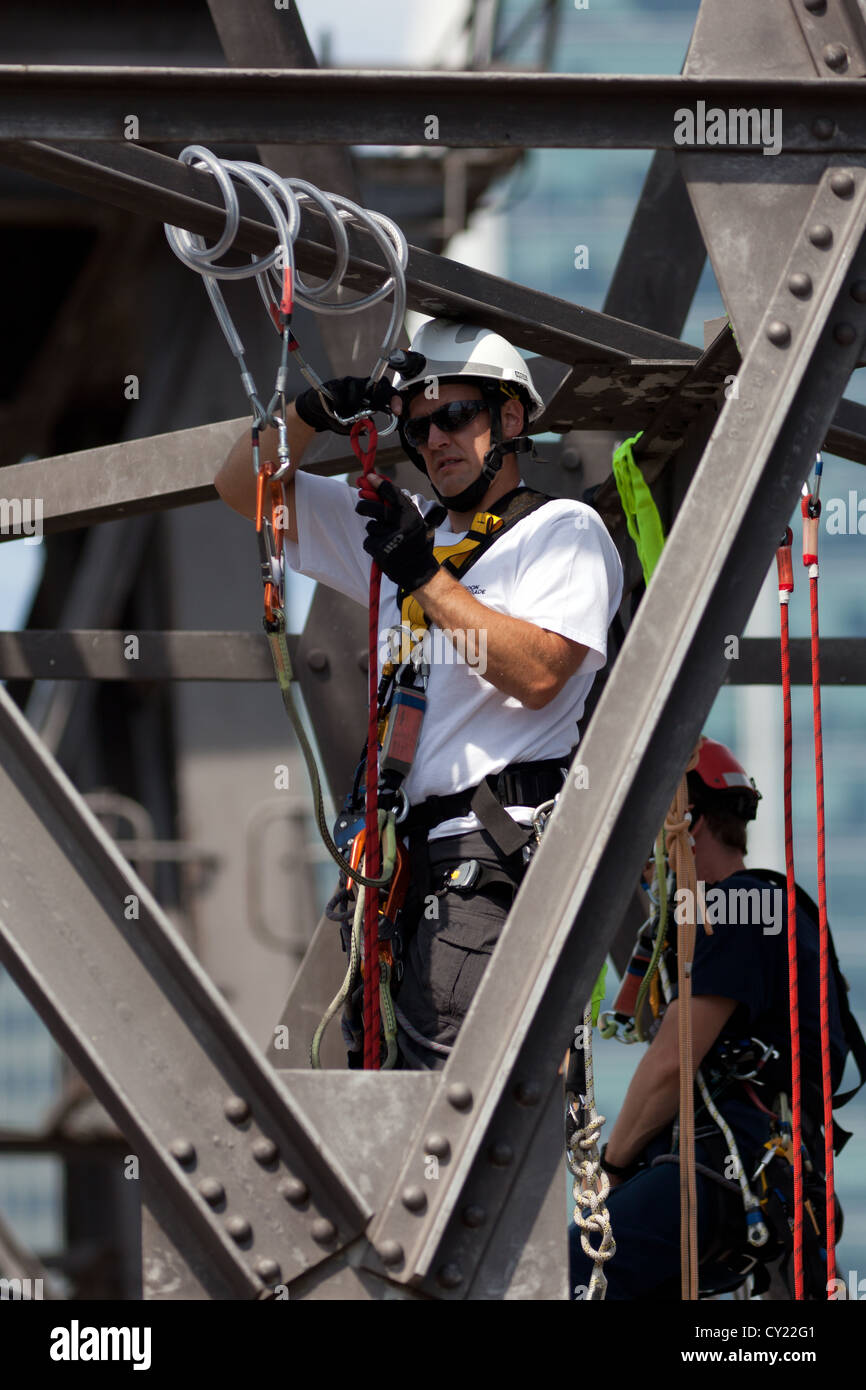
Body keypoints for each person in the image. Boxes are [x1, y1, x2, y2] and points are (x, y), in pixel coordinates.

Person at [216, 318, 623, 1069]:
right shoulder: (408, 532)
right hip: (395, 876)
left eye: (455, 417)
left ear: (509, 417)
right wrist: (315, 413)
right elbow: (243, 491)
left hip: (487, 859)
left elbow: (537, 674)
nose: (435, 440)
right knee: (382, 1106)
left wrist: (422, 577)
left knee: (439, 1117)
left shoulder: (563, 531)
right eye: (417, 426)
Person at [569, 735, 859, 1300]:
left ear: (690, 823)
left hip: (720, 1170)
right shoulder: (768, 912)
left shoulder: (737, 905)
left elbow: (669, 1065)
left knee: (578, 1272)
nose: (643, 855)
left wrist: (614, 1167)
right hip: (755, 1179)